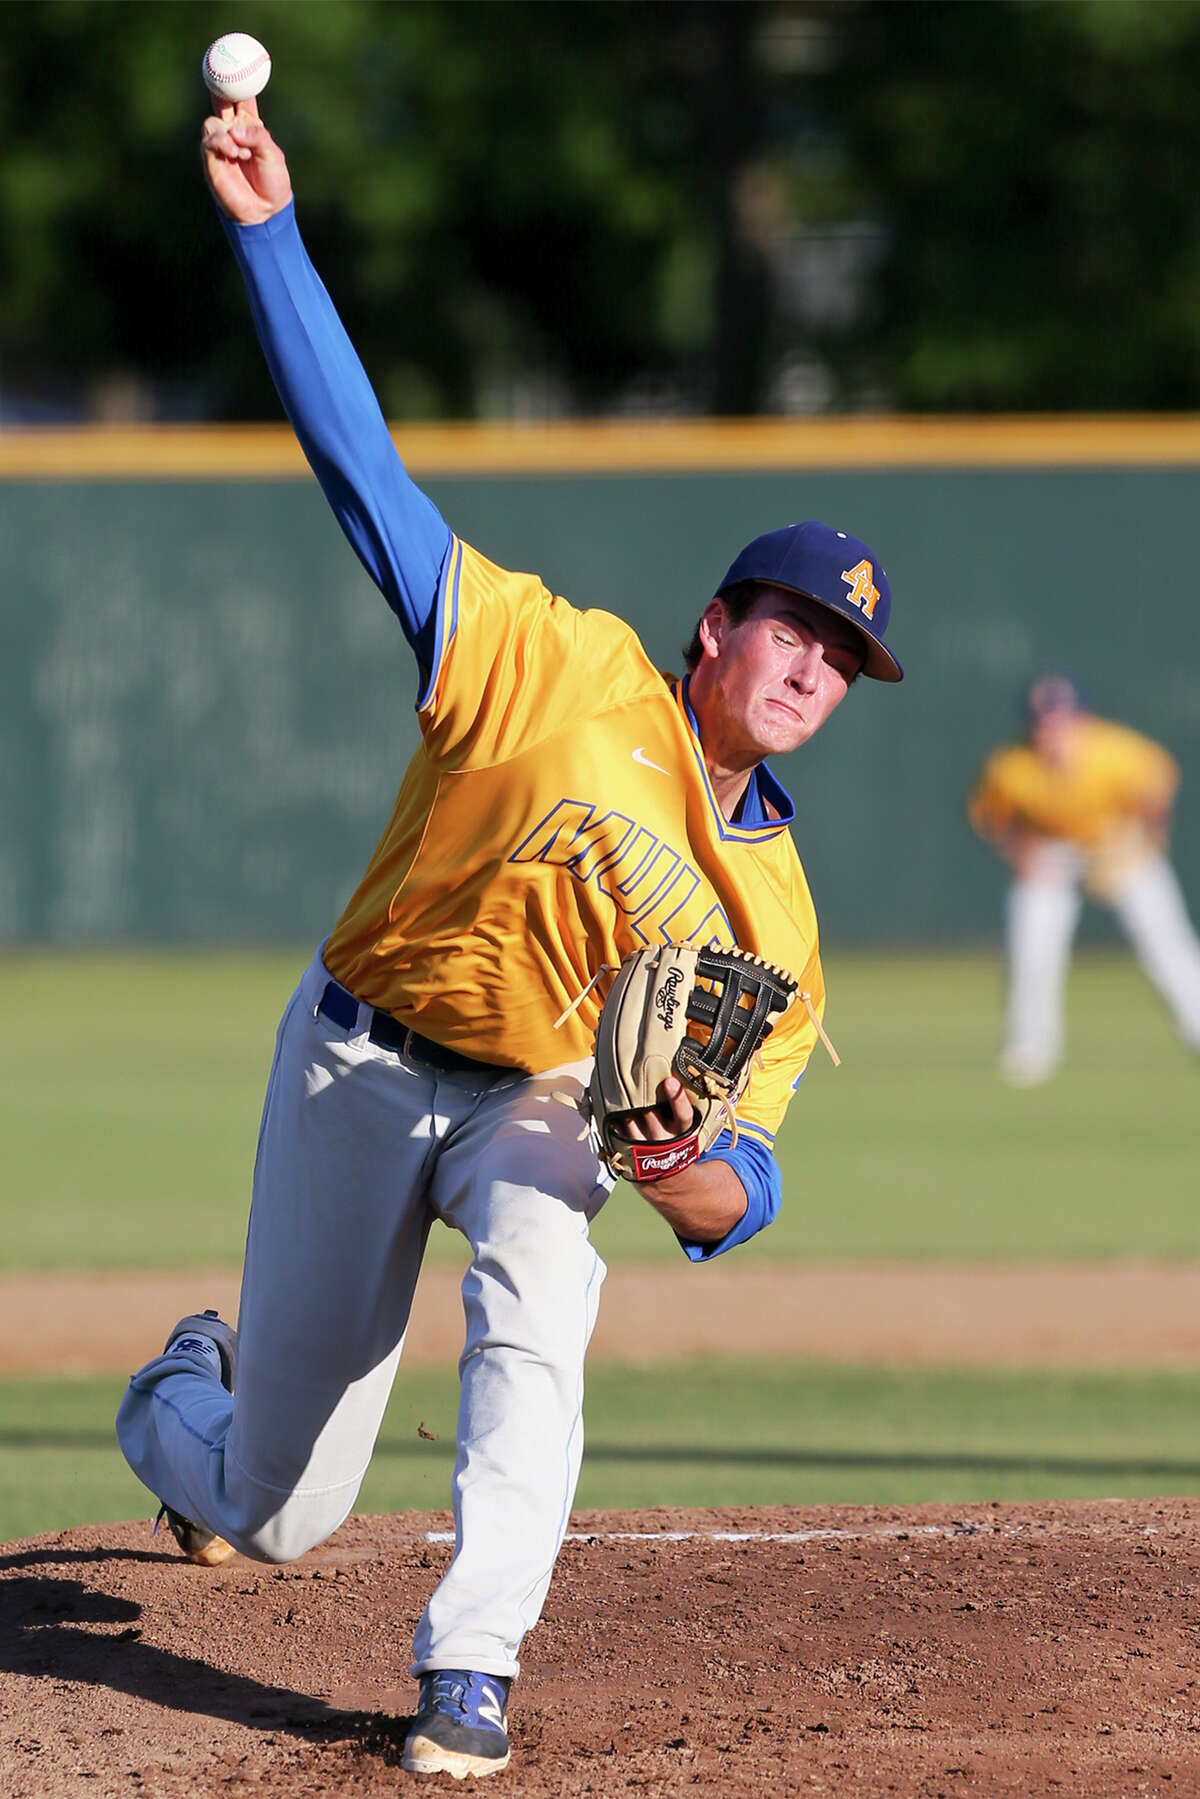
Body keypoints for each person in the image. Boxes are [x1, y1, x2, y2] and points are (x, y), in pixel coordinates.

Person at [115, 89, 903, 1782]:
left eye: (842, 658)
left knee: (550, 1275)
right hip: (357, 1054)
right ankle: (189, 1383)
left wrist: (677, 1154)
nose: (812, 665)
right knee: (274, 1505)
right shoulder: (550, 661)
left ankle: (469, 1664)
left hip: (536, 1097)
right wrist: (271, 236)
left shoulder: (773, 915)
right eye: (793, 627)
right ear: (716, 627)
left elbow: (744, 1191)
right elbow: (365, 477)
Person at [969, 674, 1200, 1085]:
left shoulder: (1115, 750)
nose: (1049, 730)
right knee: (1032, 948)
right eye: (1041, 721)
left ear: (1081, 718)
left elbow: (1160, 789)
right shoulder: (1012, 765)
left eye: (1059, 719)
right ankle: (1031, 1048)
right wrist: (1020, 855)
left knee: (1167, 945)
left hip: (1118, 843)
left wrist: (1143, 843)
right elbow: (991, 817)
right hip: (1054, 851)